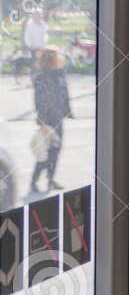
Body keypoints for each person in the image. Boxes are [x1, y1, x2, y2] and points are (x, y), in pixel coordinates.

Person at [30, 46, 71, 194]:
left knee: (56, 150)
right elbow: (39, 101)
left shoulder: (59, 73)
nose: (60, 58)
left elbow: (64, 93)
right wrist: (43, 123)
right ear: (52, 59)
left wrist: (68, 110)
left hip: (58, 118)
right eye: (57, 56)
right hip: (48, 121)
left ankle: (50, 180)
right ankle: (34, 182)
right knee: (45, 153)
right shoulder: (41, 77)